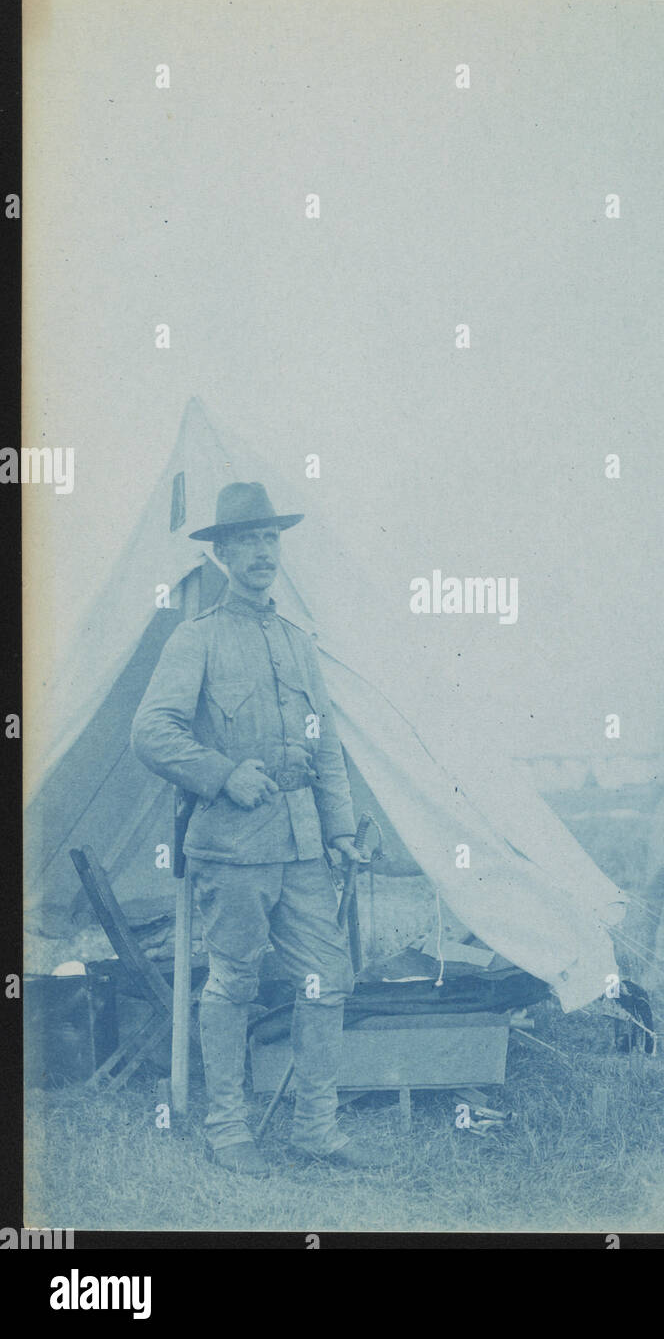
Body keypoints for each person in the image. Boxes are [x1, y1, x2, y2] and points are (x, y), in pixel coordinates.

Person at [132, 481, 385, 1176]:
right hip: (233, 847)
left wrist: (337, 831)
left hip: (304, 846)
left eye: (269, 540)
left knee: (324, 980)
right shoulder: (198, 640)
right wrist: (220, 773)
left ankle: (315, 1128)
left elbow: (324, 745)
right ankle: (226, 1130)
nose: (260, 553)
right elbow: (150, 731)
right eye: (245, 541)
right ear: (220, 554)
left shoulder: (299, 644)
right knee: (234, 983)